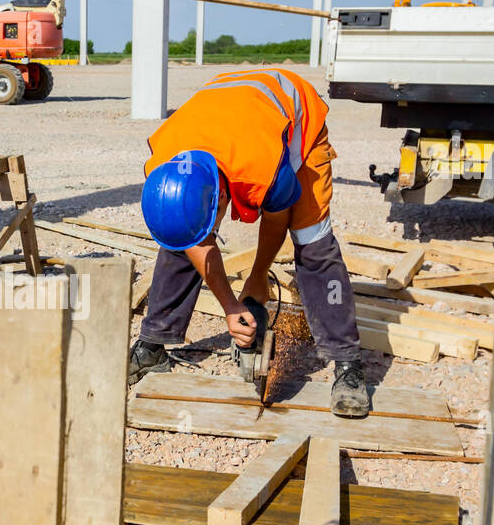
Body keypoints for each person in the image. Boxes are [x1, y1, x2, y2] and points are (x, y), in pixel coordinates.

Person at [128, 67, 371, 418]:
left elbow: (278, 218)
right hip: (230, 113)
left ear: (223, 196)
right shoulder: (162, 164)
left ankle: (347, 365)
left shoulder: (263, 168)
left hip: (296, 122)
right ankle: (152, 345)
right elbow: (196, 239)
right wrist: (230, 304)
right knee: (181, 232)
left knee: (313, 242)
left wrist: (258, 278)